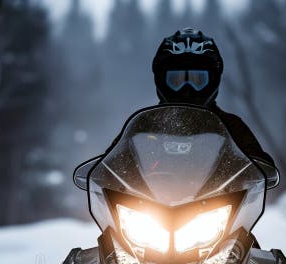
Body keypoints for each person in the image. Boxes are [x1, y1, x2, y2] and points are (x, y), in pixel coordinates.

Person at [111, 28, 275, 167]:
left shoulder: (232, 127)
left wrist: (257, 169)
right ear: (161, 81)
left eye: (198, 80)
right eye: (176, 80)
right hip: (148, 196)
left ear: (213, 80)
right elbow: (108, 167)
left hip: (218, 196)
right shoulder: (142, 125)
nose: (187, 89)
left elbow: (261, 169)